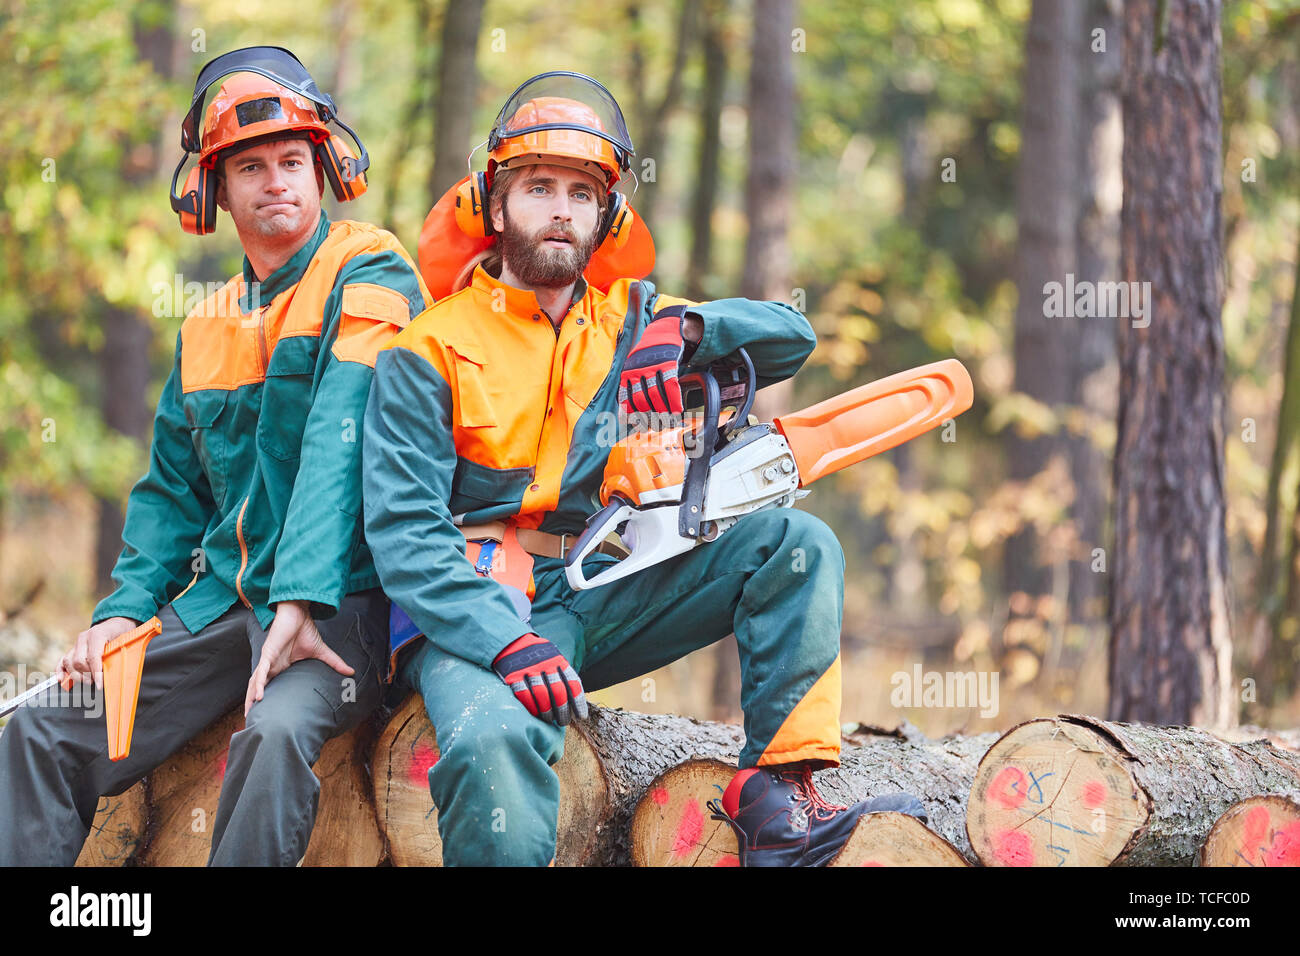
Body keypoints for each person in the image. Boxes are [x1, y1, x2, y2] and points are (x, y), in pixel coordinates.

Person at [364, 71, 926, 867]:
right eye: (537, 188)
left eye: (580, 193)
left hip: (603, 580)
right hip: (477, 599)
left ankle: (777, 797)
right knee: (492, 739)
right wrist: (504, 643)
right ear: (496, 206)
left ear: (604, 215)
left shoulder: (630, 319)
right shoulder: (427, 348)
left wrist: (690, 331)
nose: (560, 208)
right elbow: (404, 535)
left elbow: (791, 338)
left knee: (795, 546)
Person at [0, 46, 429, 866]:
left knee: (271, 734)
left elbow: (342, 441)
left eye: (294, 161)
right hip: (221, 611)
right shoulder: (207, 325)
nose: (277, 181)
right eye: (254, 166)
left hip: (344, 606)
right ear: (216, 192)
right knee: (43, 727)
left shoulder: (372, 270)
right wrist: (122, 611)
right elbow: (169, 492)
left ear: (323, 169)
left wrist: (300, 598)